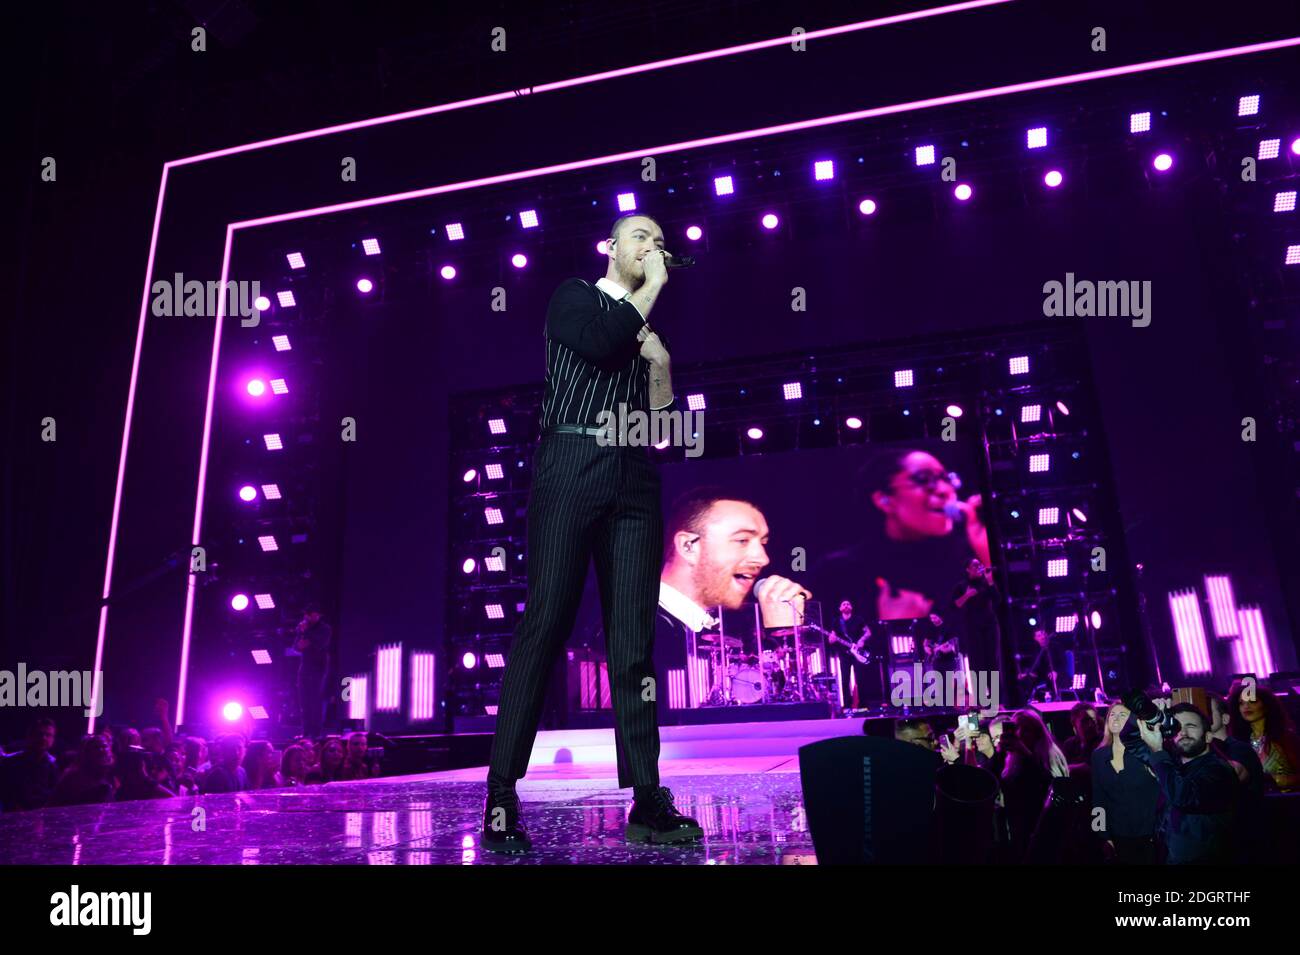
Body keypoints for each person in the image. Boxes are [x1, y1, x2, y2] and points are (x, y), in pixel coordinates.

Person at [484, 213, 700, 854]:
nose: (653, 247)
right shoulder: (575, 296)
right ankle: (500, 796)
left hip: (634, 477)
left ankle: (648, 799)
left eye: (660, 241)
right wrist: (651, 295)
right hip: (572, 466)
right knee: (546, 619)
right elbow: (604, 341)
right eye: (642, 237)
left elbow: (663, 423)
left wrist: (661, 365)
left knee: (633, 644)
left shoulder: (643, 328)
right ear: (610, 248)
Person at [655, 487, 812, 711]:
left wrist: (786, 631)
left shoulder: (721, 624)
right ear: (688, 546)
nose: (762, 559)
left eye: (763, 543)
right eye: (742, 541)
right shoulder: (632, 625)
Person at [813, 447, 989, 625]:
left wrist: (987, 555)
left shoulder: (968, 556)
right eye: (924, 480)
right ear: (884, 500)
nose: (944, 490)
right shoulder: (837, 571)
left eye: (946, 479)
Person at [1130, 702, 1237, 864]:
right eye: (1177, 727)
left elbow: (1184, 796)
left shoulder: (1219, 770)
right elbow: (1130, 742)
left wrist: (1158, 752)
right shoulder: (1173, 766)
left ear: (1208, 736)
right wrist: (1146, 713)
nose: (1183, 732)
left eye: (1191, 726)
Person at [1090, 703, 1160, 863]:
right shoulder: (1098, 756)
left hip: (1150, 837)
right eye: (1112, 714)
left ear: (1134, 721)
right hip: (1118, 837)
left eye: (1122, 715)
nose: (1116, 717)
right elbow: (1098, 799)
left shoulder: (1146, 751)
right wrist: (1101, 835)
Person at [1227, 682, 1300, 792]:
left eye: (1252, 701)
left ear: (1266, 706)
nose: (1246, 706)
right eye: (1241, 703)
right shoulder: (1238, 741)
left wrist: (1278, 780)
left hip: (1285, 803)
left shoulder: (1285, 737)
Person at [951, 558, 1001, 677]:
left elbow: (997, 600)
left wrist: (990, 582)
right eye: (975, 565)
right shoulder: (961, 586)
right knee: (977, 661)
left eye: (980, 564)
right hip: (972, 627)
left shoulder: (987, 583)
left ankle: (995, 693)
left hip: (989, 625)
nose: (979, 566)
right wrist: (967, 595)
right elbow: (956, 605)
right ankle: (981, 694)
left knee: (992, 659)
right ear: (968, 569)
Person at [0, 718, 59, 812]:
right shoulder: (10, 763)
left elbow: (54, 795)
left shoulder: (53, 765)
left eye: (48, 735)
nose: (44, 738)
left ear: (53, 739)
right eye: (40, 734)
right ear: (29, 736)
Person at [294, 606, 332, 737]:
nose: (308, 617)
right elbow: (297, 646)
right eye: (307, 615)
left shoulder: (324, 628)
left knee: (316, 699)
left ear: (318, 615)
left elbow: (319, 644)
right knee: (304, 699)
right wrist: (302, 638)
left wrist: (307, 634)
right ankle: (306, 731)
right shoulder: (303, 628)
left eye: (311, 615)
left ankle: (316, 732)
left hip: (319, 666)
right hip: (305, 665)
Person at [47, 735, 118, 807]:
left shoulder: (109, 775)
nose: (101, 750)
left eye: (104, 746)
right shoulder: (74, 778)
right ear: (87, 753)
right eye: (96, 747)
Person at [828, 599, 874, 708]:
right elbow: (830, 639)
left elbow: (868, 632)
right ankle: (847, 706)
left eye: (848, 604)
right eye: (843, 604)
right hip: (844, 654)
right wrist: (832, 638)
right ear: (840, 608)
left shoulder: (858, 619)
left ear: (851, 607)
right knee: (845, 679)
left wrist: (862, 640)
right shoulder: (836, 621)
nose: (846, 605)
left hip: (857, 653)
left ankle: (863, 706)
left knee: (860, 679)